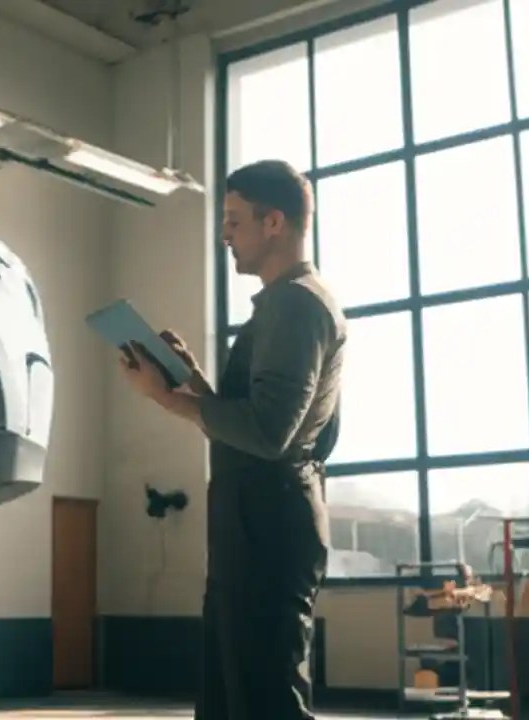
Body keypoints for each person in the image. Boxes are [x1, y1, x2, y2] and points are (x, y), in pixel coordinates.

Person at [118, 159, 346, 719]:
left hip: (268, 521)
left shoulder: (296, 304)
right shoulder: (286, 303)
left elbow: (269, 434)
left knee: (261, 696)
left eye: (233, 220)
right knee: (231, 696)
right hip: (256, 519)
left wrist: (168, 398)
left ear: (274, 223)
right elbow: (254, 417)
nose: (224, 234)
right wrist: (192, 377)